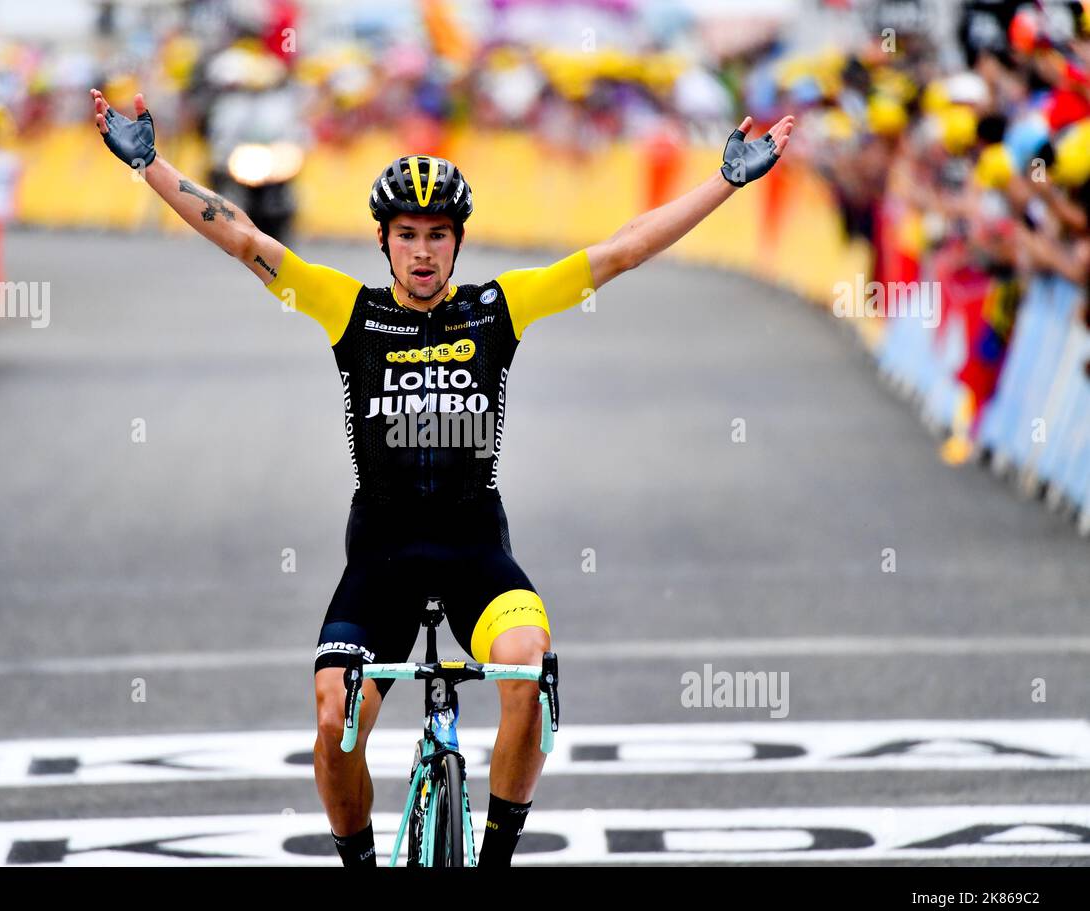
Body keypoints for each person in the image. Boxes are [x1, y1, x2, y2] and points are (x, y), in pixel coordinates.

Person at [90, 88, 793, 866]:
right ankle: (357, 859)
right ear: (384, 243)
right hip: (381, 560)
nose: (422, 252)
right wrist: (152, 164)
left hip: (474, 553)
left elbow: (621, 250)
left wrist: (725, 181)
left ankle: (494, 856)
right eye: (406, 236)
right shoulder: (345, 311)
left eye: (437, 236)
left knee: (528, 664)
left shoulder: (500, 310)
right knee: (333, 717)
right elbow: (242, 236)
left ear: (457, 243)